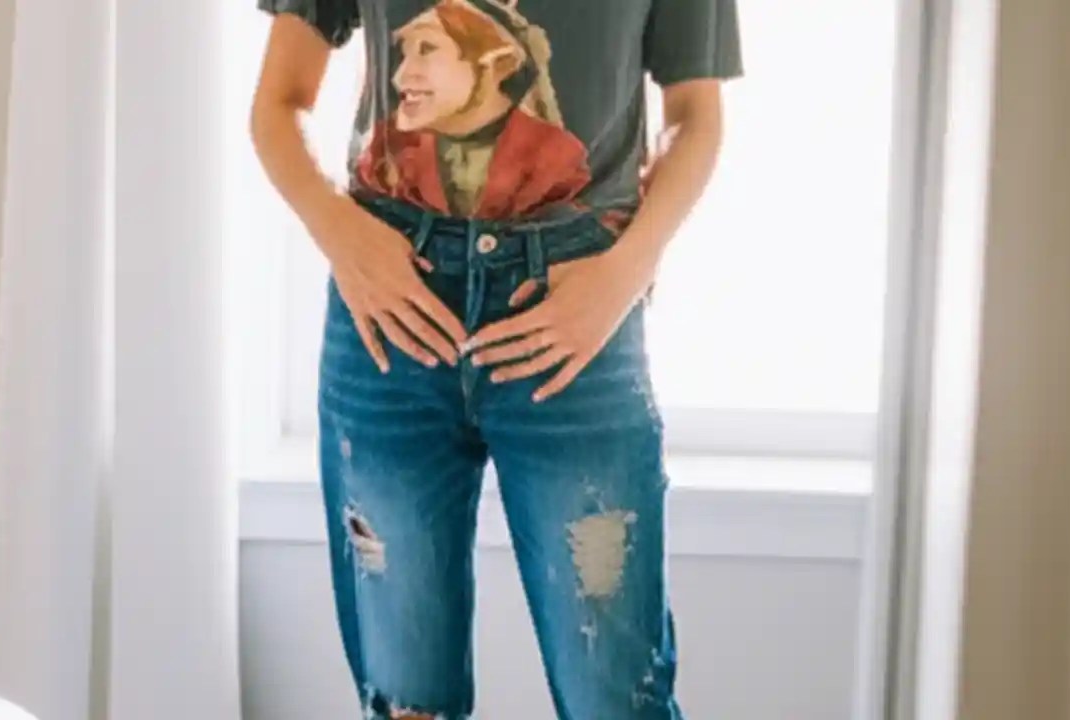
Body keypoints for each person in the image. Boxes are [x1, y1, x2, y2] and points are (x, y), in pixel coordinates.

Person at [249, 0, 742, 717]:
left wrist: (622, 275)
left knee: (617, 695)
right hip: (391, 310)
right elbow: (277, 102)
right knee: (404, 702)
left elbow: (695, 116)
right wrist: (339, 232)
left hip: (577, 318)